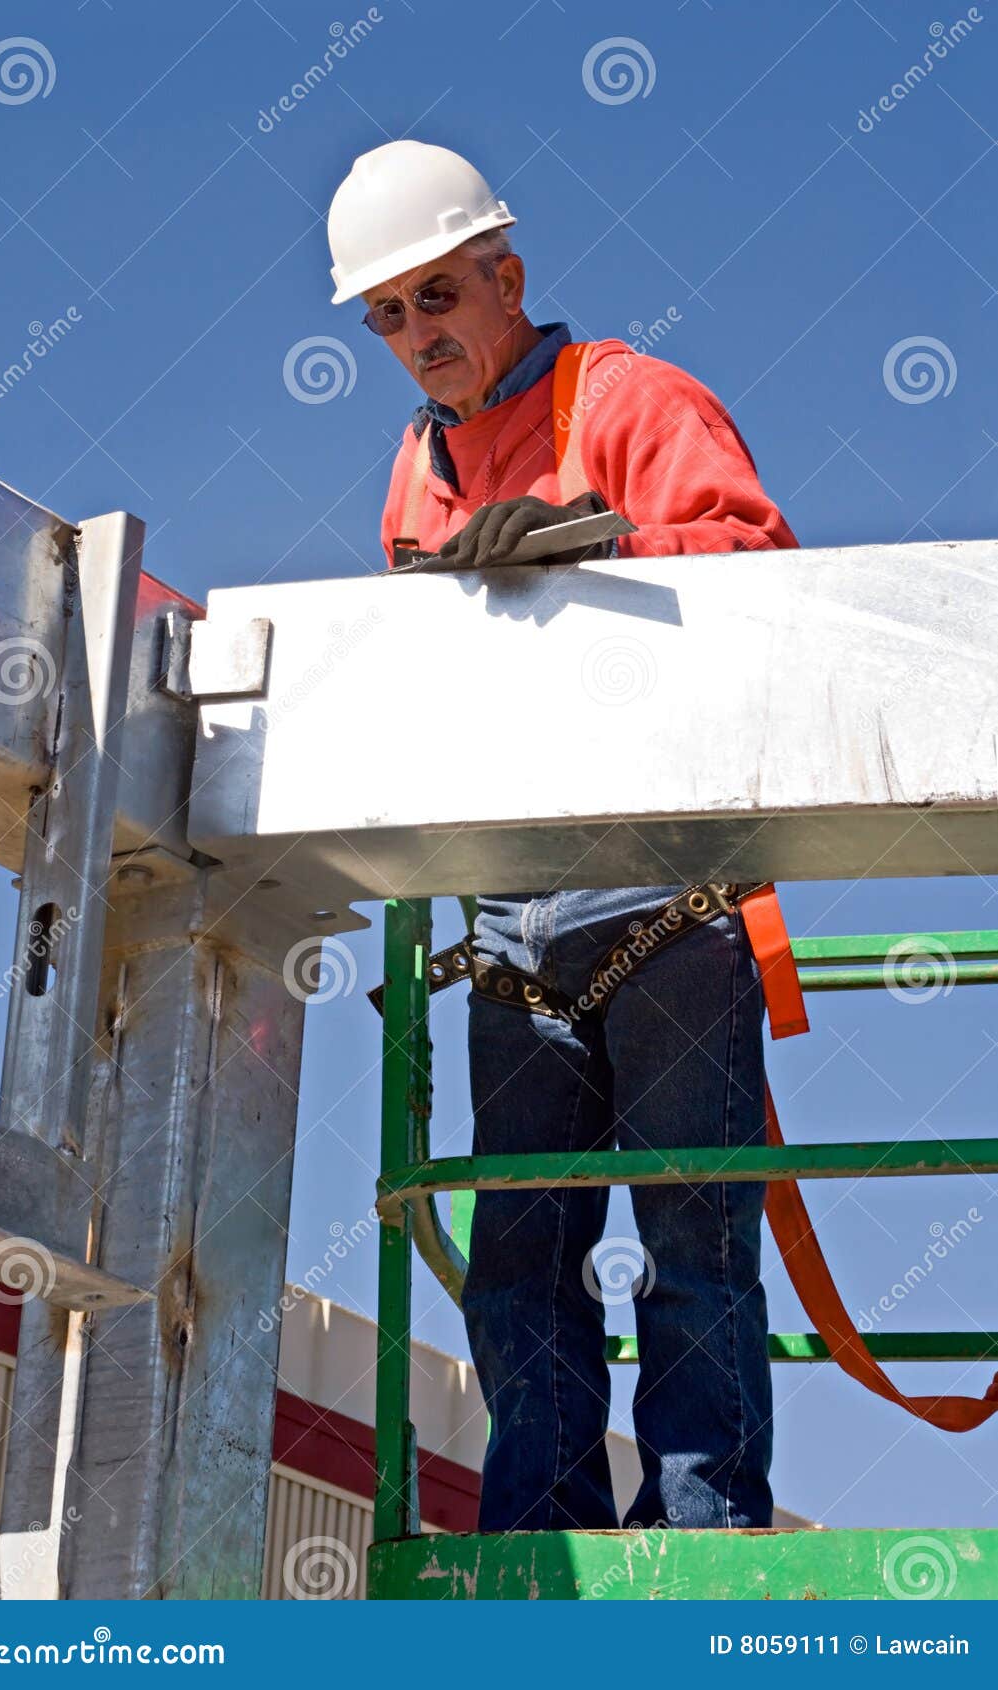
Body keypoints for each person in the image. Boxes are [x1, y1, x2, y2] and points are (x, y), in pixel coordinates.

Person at [327, 139, 799, 1533]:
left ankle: (701, 1526)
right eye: (389, 317)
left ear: (505, 276)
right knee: (520, 1254)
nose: (417, 337)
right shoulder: (414, 477)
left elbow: (764, 570)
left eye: (436, 298)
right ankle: (534, 1534)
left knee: (690, 1243)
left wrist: (593, 551)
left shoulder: (634, 402)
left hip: (663, 895)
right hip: (509, 919)